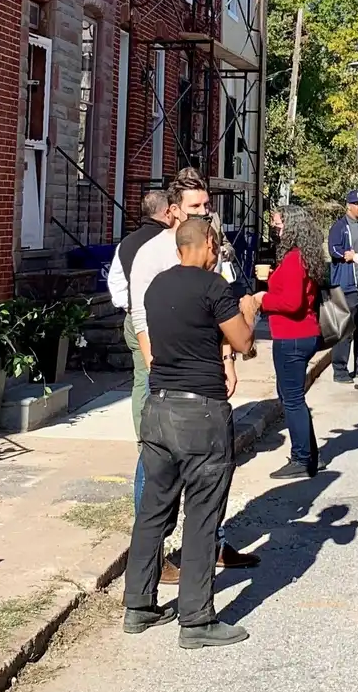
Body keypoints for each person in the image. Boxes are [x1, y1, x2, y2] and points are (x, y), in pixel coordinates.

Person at [122, 217, 263, 649]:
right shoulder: (213, 287)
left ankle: (138, 605)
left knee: (153, 511)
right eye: (214, 244)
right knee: (202, 515)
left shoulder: (156, 287)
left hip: (159, 408)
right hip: (200, 412)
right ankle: (197, 619)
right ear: (205, 244)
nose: (216, 250)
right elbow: (242, 341)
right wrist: (249, 310)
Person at [132, 172, 259, 574]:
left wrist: (227, 360)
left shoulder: (213, 250)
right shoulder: (153, 255)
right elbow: (141, 319)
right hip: (166, 372)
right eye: (196, 207)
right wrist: (158, 371)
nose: (206, 212)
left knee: (207, 475)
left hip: (205, 368)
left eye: (207, 205)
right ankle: (156, 559)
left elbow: (223, 311)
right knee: (158, 465)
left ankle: (213, 543)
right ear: (173, 211)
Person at [108, 190, 172, 526]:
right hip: (162, 317)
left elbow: (116, 285)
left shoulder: (127, 244)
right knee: (161, 377)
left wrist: (129, 306)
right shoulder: (167, 242)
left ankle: (142, 434)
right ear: (166, 212)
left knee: (140, 379)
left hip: (134, 316)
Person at [260, 206, 328, 479]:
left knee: (292, 400)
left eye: (278, 225)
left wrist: (262, 299)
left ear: (292, 227)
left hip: (292, 336)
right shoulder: (303, 256)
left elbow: (291, 303)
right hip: (301, 334)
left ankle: (302, 458)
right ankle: (310, 454)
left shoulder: (293, 259)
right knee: (292, 397)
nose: (276, 230)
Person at [328, 190, 358, 383]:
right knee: (345, 331)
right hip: (347, 287)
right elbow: (333, 248)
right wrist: (345, 255)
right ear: (349, 205)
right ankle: (340, 371)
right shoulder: (340, 227)